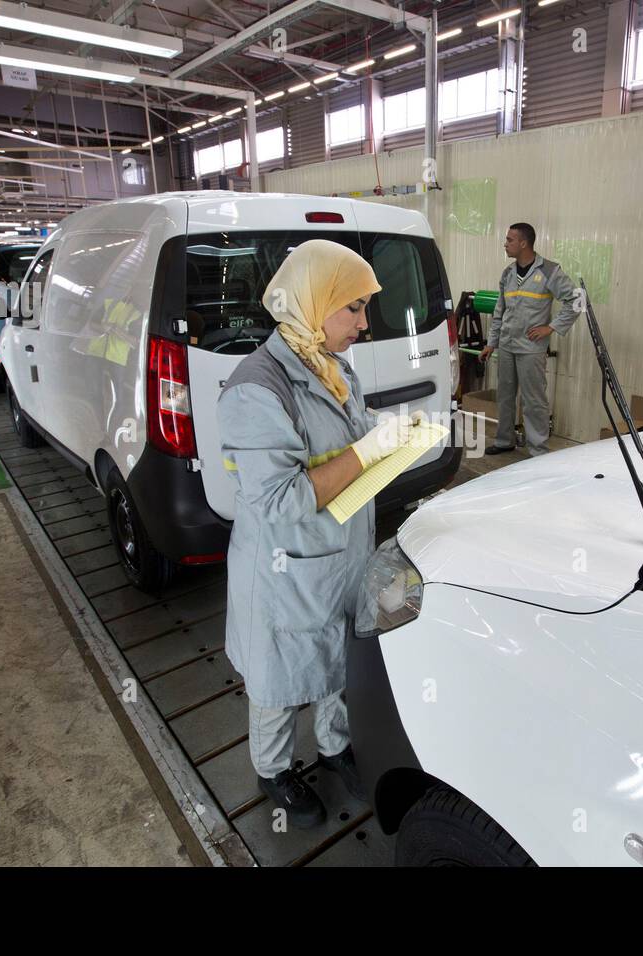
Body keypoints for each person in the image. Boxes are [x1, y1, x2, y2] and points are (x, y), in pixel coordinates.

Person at [217, 239, 422, 828]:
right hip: (288, 567)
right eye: (353, 308)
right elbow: (279, 500)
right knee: (279, 676)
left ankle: (334, 749)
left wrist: (394, 438)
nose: (364, 322)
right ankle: (274, 767)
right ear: (313, 304)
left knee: (337, 659)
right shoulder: (258, 387)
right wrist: (368, 453)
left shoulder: (332, 367)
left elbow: (350, 440)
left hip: (341, 555)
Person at [479, 222, 580, 456]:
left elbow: (576, 301)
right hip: (506, 346)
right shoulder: (507, 274)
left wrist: (551, 328)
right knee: (505, 396)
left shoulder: (549, 271)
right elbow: (499, 312)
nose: (505, 244)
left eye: (509, 240)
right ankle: (505, 440)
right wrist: (491, 343)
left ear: (523, 243)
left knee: (534, 400)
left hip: (531, 349)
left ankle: (538, 451)